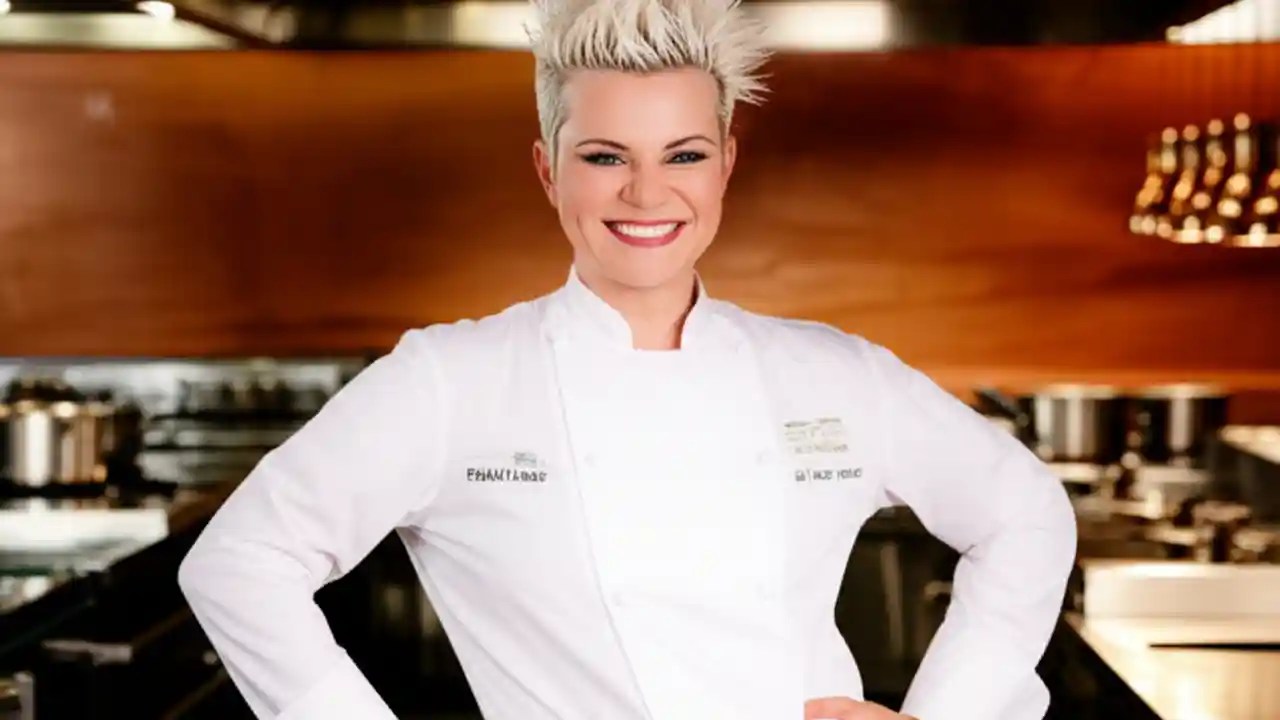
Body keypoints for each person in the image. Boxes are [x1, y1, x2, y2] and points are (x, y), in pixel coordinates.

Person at [177, 1, 1077, 718]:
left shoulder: (833, 373)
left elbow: (1026, 511)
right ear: (546, 169)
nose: (647, 193)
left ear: (725, 163)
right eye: (604, 156)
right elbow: (240, 564)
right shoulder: (453, 381)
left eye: (682, 154)